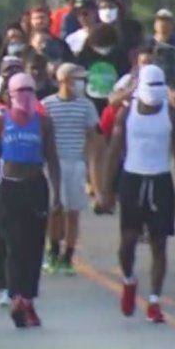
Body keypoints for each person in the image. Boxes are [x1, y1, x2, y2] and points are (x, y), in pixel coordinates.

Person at [99, 65, 175, 324]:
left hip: (160, 180)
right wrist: (105, 191)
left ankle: (154, 301)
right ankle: (129, 280)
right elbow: (113, 153)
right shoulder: (127, 114)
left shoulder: (171, 114)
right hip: (132, 179)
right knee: (127, 241)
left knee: (159, 244)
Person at [0, 73, 62, 329]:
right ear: (9, 94)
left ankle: (28, 298)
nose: (24, 96)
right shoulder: (0, 122)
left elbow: (52, 159)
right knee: (14, 245)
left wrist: (58, 195)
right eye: (19, 91)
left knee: (34, 246)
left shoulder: (43, 123)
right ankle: (16, 296)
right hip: (10, 188)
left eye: (29, 90)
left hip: (35, 187)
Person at [40, 64, 101, 275]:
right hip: (54, 165)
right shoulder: (46, 105)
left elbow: (94, 138)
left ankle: (68, 256)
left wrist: (92, 173)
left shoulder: (87, 106)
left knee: (73, 213)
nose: (80, 83)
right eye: (76, 78)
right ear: (63, 79)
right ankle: (53, 251)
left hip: (76, 164)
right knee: (55, 210)